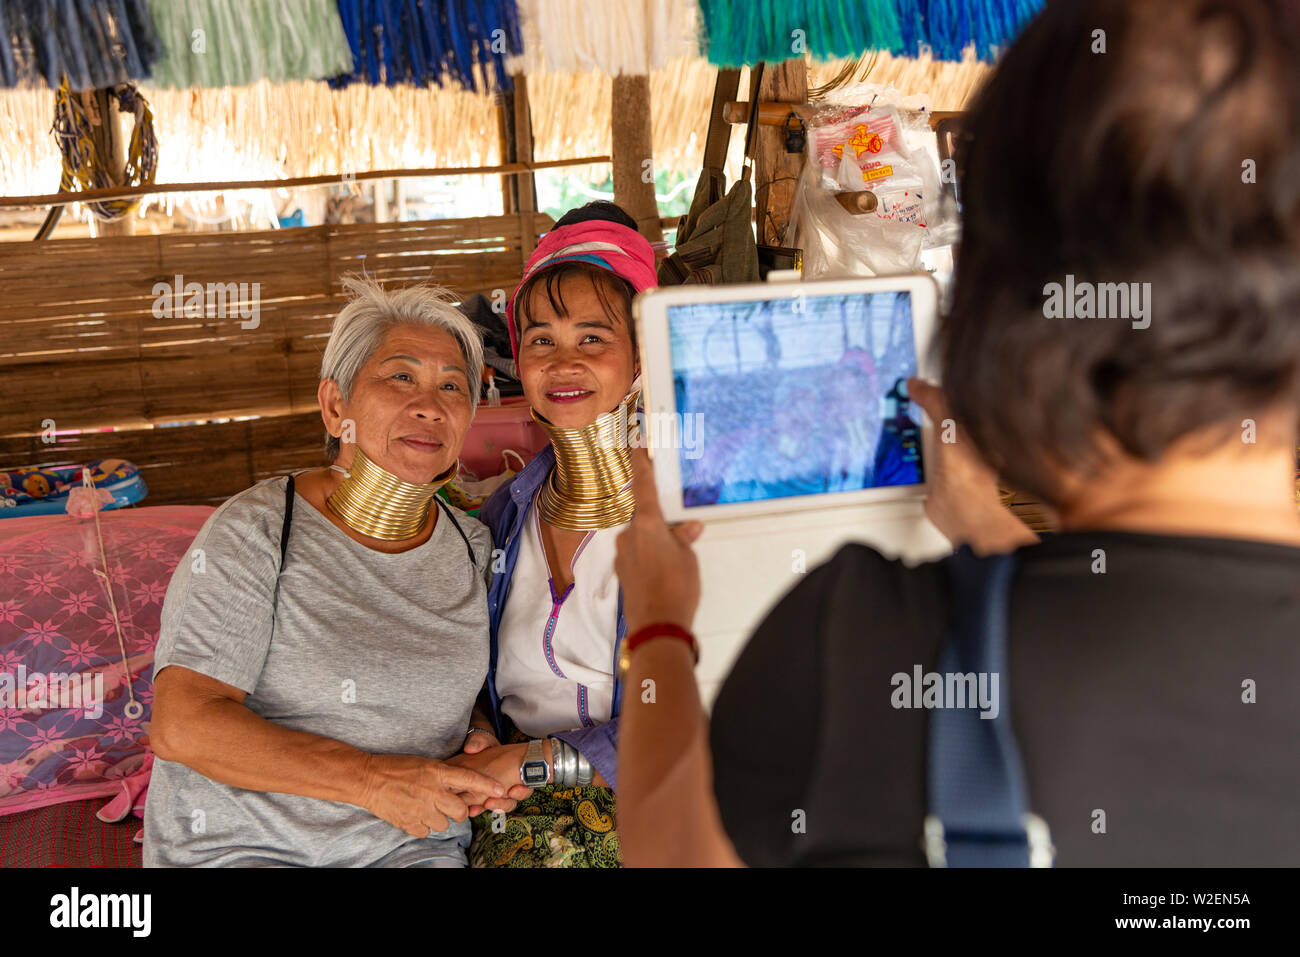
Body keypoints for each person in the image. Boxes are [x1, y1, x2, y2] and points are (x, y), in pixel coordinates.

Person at [612, 0, 1300, 866]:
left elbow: (670, 851)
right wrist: (987, 530)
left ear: (991, 310)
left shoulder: (862, 646)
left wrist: (661, 625)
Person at [143, 277, 531, 867]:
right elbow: (183, 723)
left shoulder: (475, 547)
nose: (429, 404)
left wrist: (476, 733)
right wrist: (373, 781)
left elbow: (469, 689)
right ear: (334, 406)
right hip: (244, 850)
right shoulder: (259, 531)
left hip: (409, 851)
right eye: (400, 376)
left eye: (452, 386)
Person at [466, 201, 657, 867]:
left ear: (640, 358)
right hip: (511, 798)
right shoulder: (503, 517)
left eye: (593, 338)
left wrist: (536, 762)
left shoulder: (688, 517)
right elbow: (468, 667)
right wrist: (479, 732)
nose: (563, 362)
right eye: (541, 340)